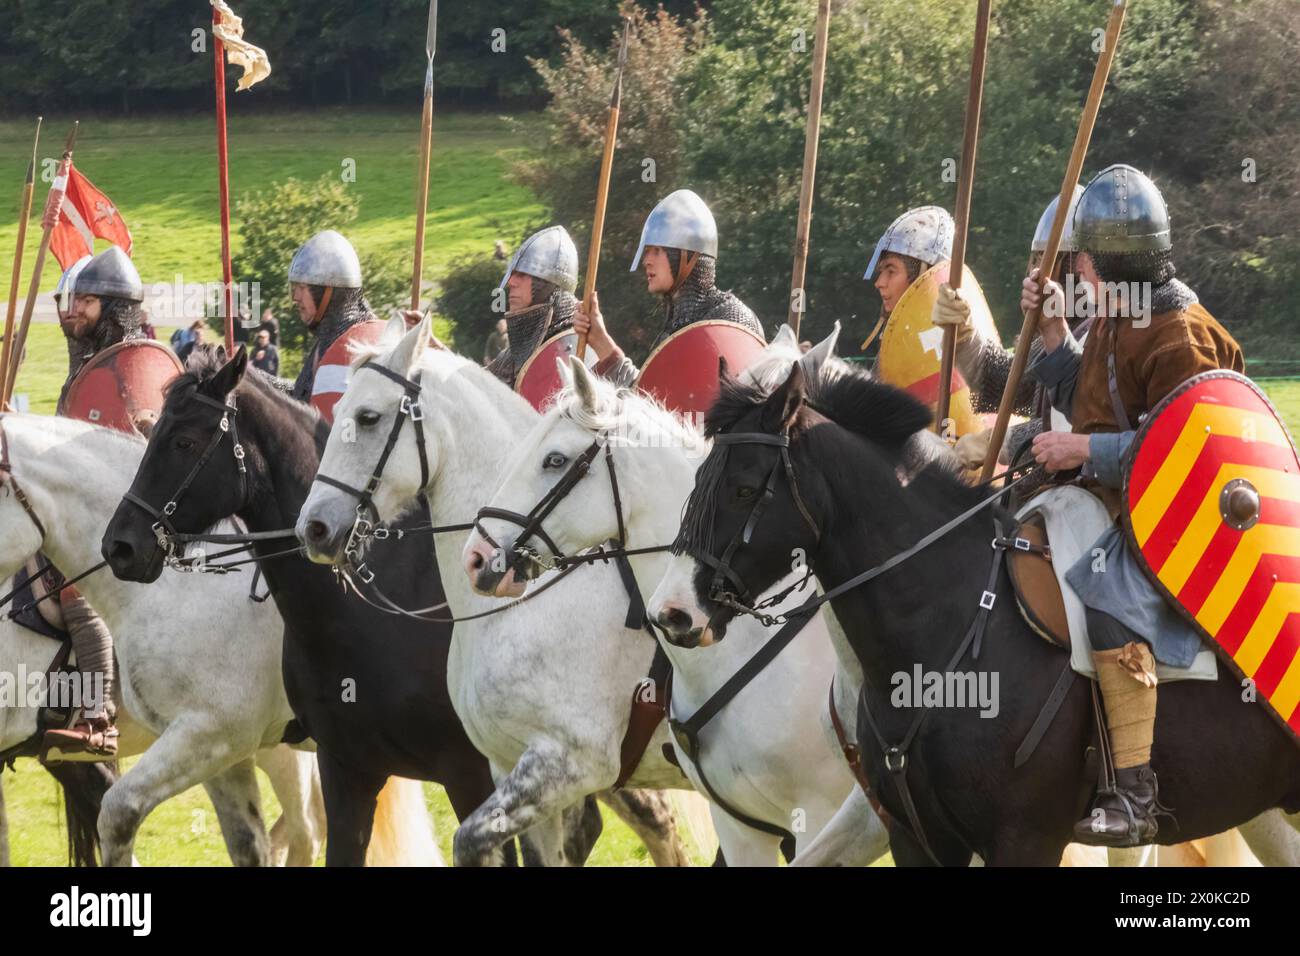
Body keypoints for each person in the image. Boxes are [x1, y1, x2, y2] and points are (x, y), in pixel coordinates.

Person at [1022, 164, 1244, 846]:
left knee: (1107, 595)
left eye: (1086, 258)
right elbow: (1091, 395)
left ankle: (1136, 791)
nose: (1078, 269)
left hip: (1188, 515)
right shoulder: (1122, 316)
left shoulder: (1181, 334)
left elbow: (1178, 452)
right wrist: (1054, 329)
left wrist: (1081, 454)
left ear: (1116, 263)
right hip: (1122, 503)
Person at [42, 246, 151, 760]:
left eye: (84, 301)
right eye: (69, 299)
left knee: (75, 593)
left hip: (126, 519)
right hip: (85, 508)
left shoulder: (137, 370)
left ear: (112, 306)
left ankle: (97, 714)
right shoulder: (90, 367)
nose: (72, 310)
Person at [930, 187, 1086, 470]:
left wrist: (998, 441)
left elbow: (1076, 424)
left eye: (1050, 260)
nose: (1038, 273)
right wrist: (965, 335)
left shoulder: (1102, 331)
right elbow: (1005, 385)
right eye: (1037, 260)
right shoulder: (1054, 334)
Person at [573, 189, 763, 387]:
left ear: (687, 257)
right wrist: (600, 340)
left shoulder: (730, 321)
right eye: (646, 252)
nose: (646, 261)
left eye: (656, 251)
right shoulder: (674, 327)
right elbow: (652, 397)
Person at [485, 226, 580, 388]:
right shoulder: (518, 350)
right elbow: (474, 387)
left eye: (522, 274)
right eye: (512, 274)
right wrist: (438, 350)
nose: (511, 282)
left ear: (546, 284)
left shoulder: (580, 344)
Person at [863, 205, 954, 361]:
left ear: (923, 276)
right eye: (881, 272)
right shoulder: (900, 342)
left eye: (891, 271)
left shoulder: (953, 346)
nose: (879, 283)